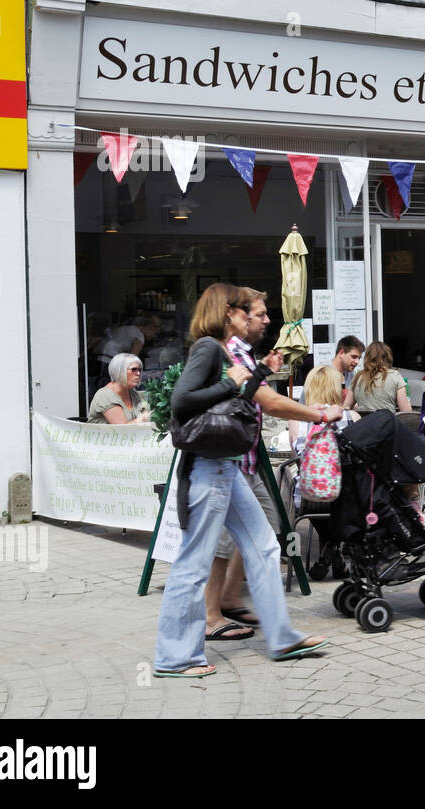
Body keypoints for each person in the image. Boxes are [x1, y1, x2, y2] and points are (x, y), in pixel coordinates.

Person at [154, 283, 336, 678]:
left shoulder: (223, 353)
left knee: (265, 548)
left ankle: (282, 637)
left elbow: (236, 398)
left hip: (228, 467)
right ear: (227, 314)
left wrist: (257, 374)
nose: (252, 318)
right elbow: (181, 401)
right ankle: (174, 657)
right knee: (193, 563)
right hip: (209, 466)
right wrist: (231, 383)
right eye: (243, 311)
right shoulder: (207, 348)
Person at [203, 289, 286, 640]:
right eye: (260, 313)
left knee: (267, 527)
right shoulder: (224, 350)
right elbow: (266, 402)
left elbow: (250, 393)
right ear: (234, 315)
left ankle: (231, 597)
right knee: (220, 543)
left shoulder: (243, 353)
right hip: (228, 462)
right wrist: (316, 414)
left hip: (246, 460)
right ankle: (210, 617)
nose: (266, 320)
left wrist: (263, 370)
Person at [87, 353, 150, 424]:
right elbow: (121, 430)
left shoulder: (132, 392)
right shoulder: (105, 396)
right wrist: (143, 419)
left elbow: (144, 415)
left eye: (139, 370)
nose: (138, 373)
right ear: (119, 371)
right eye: (134, 369)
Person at [352, 341, 412, 414]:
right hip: (386, 423)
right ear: (387, 357)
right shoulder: (395, 376)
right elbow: (405, 412)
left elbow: (346, 407)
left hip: (363, 423)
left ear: (367, 357)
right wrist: (408, 403)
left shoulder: (358, 377)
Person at [331, 336, 364, 410]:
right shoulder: (323, 373)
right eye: (354, 357)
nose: (357, 362)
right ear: (342, 353)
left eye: (359, 358)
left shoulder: (350, 375)